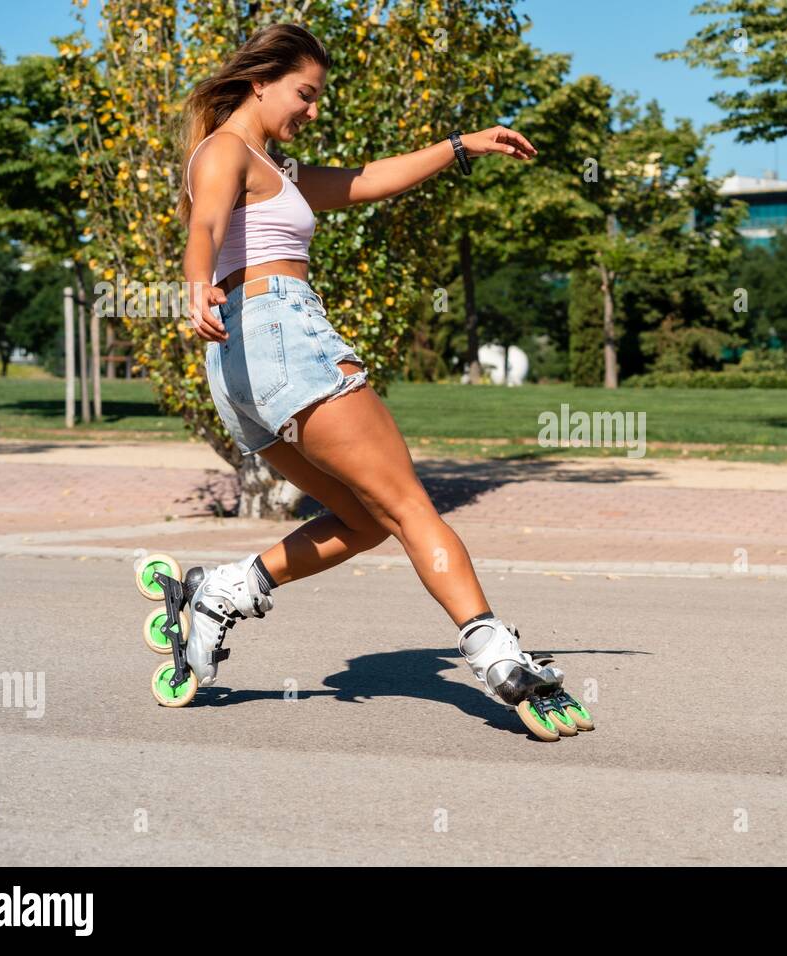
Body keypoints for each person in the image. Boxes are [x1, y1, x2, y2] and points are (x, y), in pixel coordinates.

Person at [174, 23, 587, 739]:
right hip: (280, 333)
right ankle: (498, 656)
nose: (312, 110)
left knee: (366, 521)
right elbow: (205, 224)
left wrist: (463, 145)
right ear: (259, 80)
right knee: (409, 505)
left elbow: (366, 181)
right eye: (305, 94)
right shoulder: (225, 151)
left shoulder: (275, 169)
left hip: (240, 371)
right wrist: (194, 282)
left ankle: (222, 591)